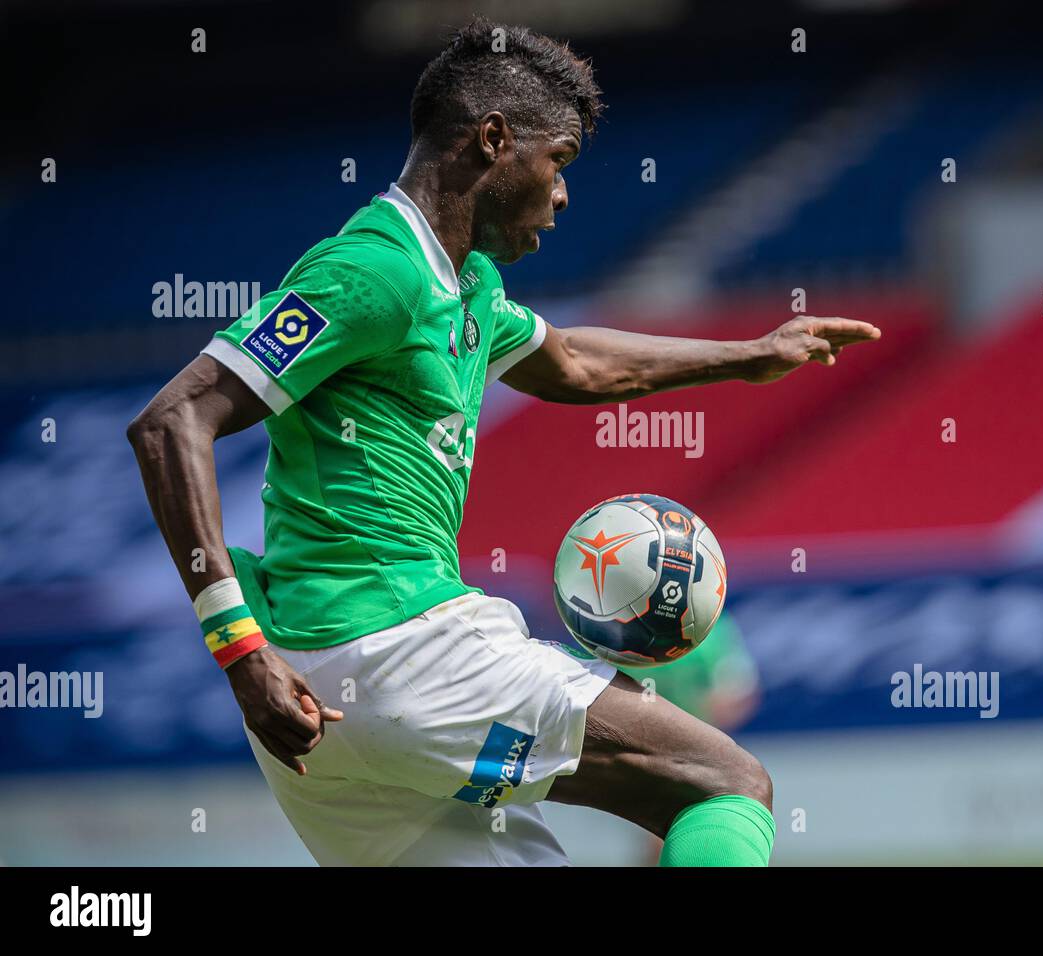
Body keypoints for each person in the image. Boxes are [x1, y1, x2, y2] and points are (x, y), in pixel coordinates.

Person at [126, 19, 881, 866]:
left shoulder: (467, 284)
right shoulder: (375, 272)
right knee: (725, 785)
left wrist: (752, 355)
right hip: (391, 646)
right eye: (558, 161)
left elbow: (576, 363)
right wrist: (235, 649)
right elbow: (170, 421)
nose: (562, 196)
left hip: (321, 699)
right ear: (494, 141)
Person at [616, 612, 762, 864]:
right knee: (663, 835)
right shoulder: (629, 631)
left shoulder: (713, 629)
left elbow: (741, 693)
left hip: (704, 748)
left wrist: (703, 718)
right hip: (652, 750)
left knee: (728, 829)